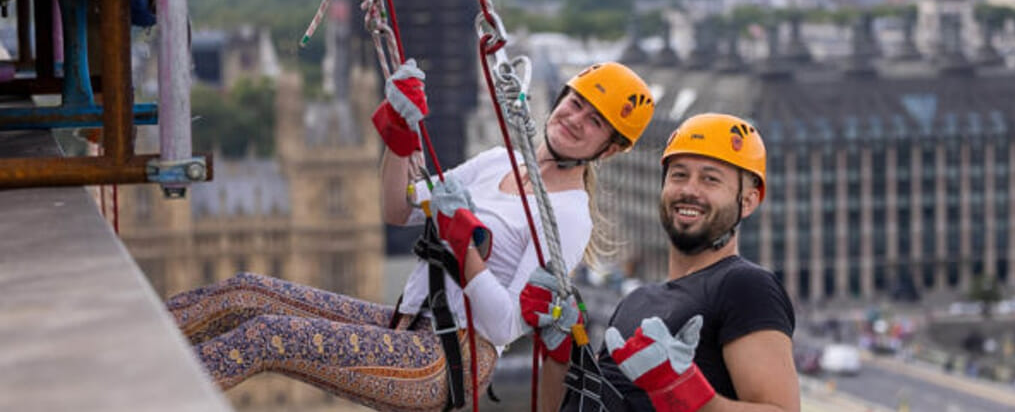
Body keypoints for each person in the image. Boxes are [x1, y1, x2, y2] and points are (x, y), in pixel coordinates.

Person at [166, 60, 655, 411]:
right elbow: (398, 208)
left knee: (266, 336)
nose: (574, 120)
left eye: (595, 122)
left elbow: (506, 326)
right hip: (409, 323)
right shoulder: (500, 160)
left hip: (447, 362)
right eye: (576, 103)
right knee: (245, 291)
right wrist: (400, 140)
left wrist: (467, 251)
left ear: (608, 149)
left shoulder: (569, 215)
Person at [522, 113, 800, 412]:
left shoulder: (744, 286)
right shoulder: (634, 302)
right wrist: (558, 355)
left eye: (710, 179)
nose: (689, 190)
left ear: (748, 200)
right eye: (679, 175)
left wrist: (683, 391)